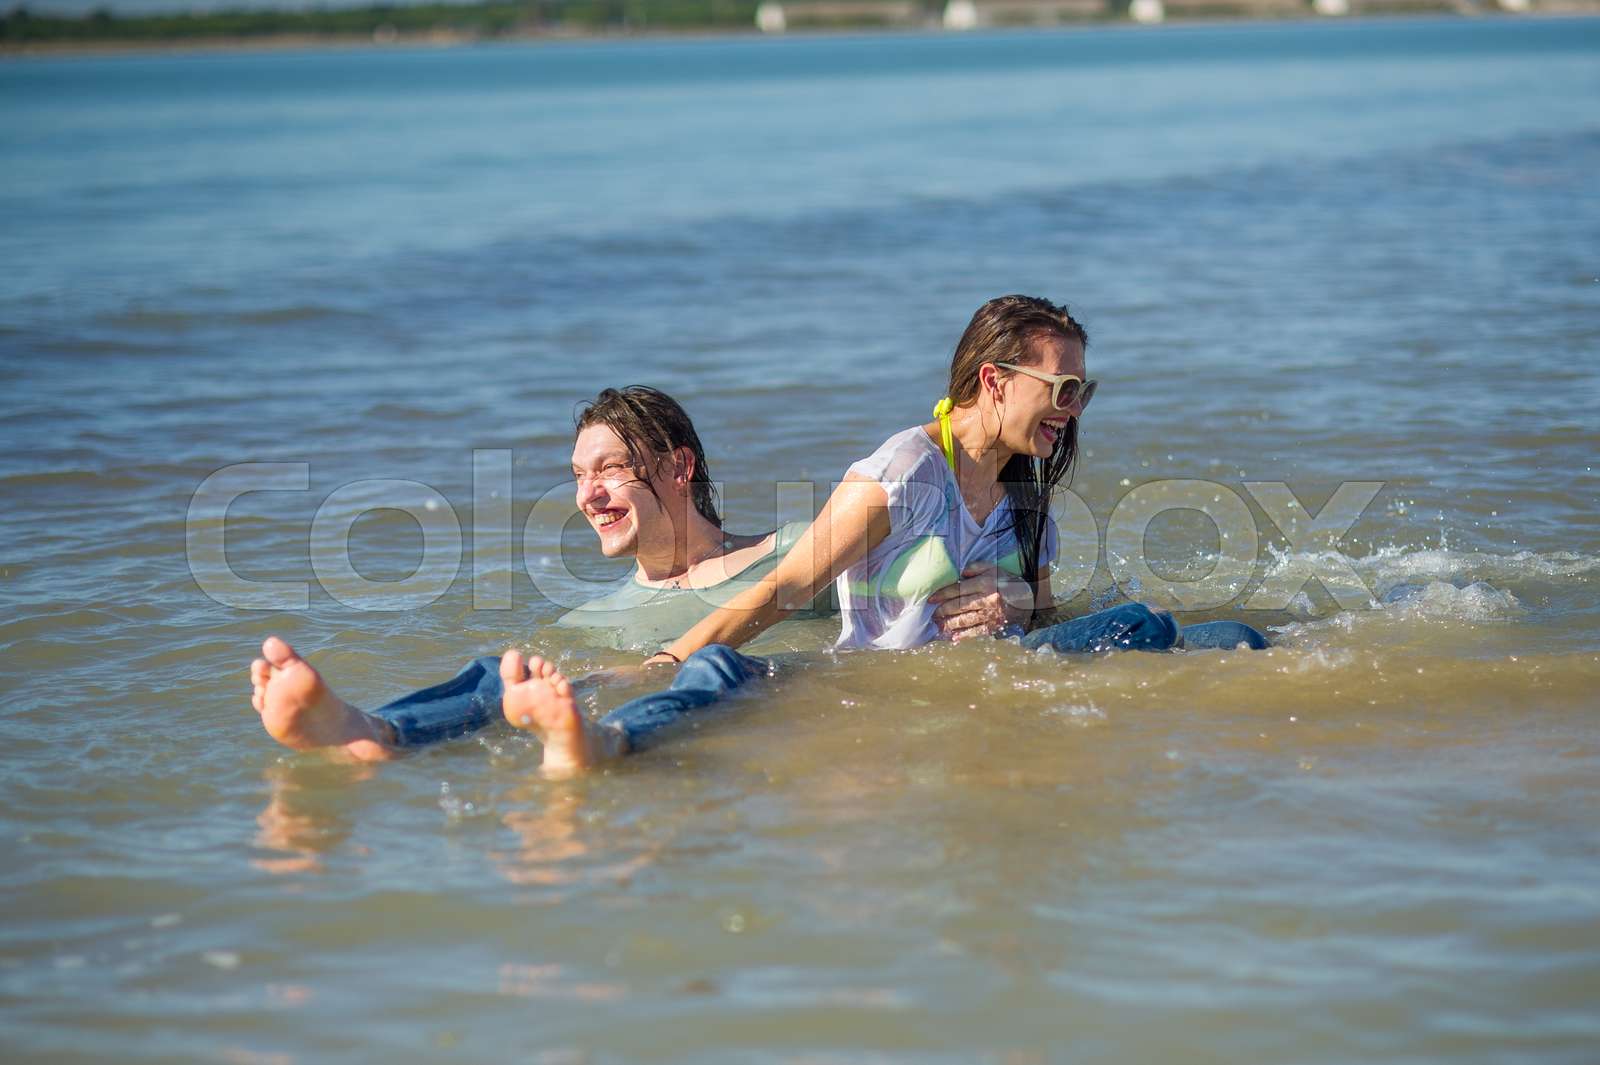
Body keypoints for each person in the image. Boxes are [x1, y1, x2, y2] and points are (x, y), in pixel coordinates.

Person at [501, 295, 1269, 773]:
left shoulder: (1028, 500)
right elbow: (786, 585)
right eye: (1062, 388)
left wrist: (1013, 607)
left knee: (1229, 633)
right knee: (723, 676)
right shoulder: (905, 470)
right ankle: (601, 742)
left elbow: (1046, 617)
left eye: (1083, 389)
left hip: (979, 691)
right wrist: (665, 657)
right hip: (870, 683)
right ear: (995, 381)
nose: (1073, 405)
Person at [248, 386, 824, 766]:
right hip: (646, 703)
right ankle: (375, 730)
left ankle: (602, 743)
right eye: (577, 475)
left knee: (712, 663)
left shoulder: (793, 549)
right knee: (497, 673)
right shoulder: (589, 619)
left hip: (756, 683)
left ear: (678, 466)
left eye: (609, 470)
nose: (587, 495)